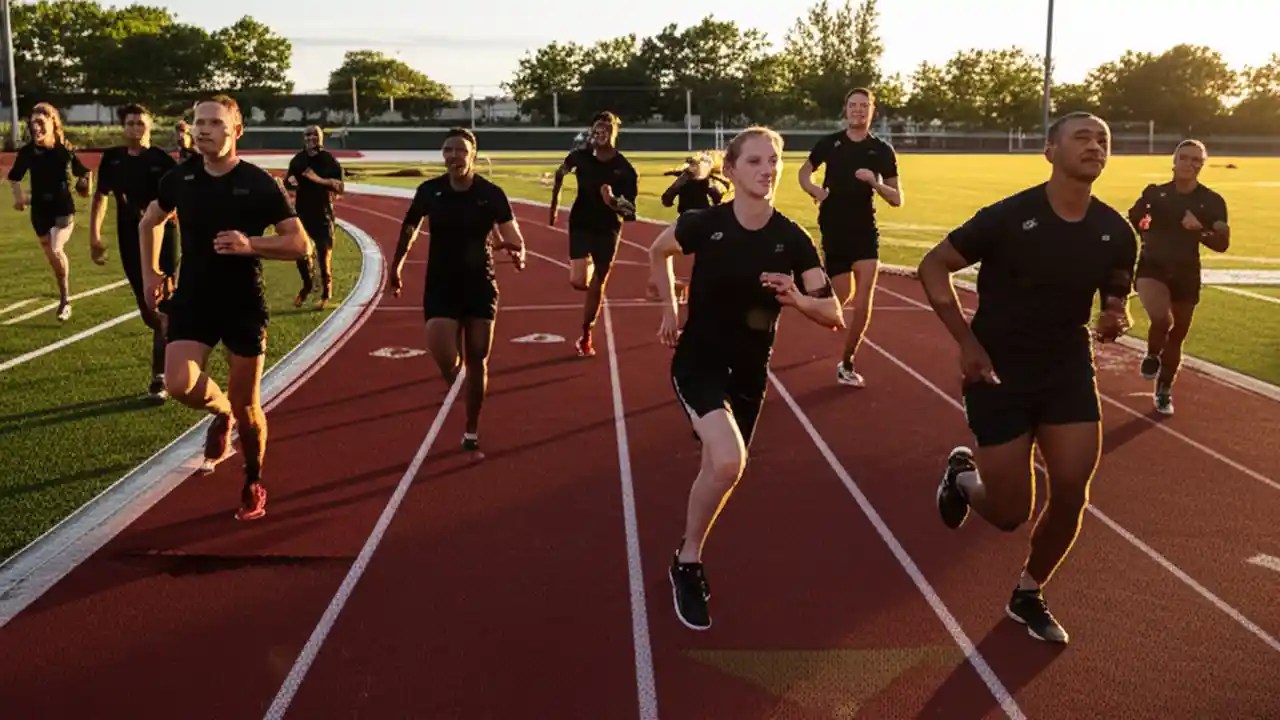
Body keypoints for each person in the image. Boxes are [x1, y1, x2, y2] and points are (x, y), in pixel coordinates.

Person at [917, 112, 1138, 645]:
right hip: (998, 372)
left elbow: (1115, 287)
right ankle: (963, 478)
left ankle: (1029, 591)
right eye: (1081, 137)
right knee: (1012, 511)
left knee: (1071, 491)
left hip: (1066, 369)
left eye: (1102, 140)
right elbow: (932, 266)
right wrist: (965, 342)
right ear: (1050, 151)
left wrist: (1115, 314)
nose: (1094, 146)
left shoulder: (1115, 230)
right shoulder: (1009, 217)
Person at [650, 127, 845, 631]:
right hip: (699, 363)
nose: (768, 169)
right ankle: (688, 560)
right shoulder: (703, 223)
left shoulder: (792, 238)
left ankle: (686, 551)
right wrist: (671, 309)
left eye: (774, 160)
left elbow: (833, 312)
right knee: (730, 461)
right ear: (731, 171)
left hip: (750, 374)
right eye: (755, 160)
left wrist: (798, 299)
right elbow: (658, 251)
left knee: (717, 467)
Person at [138, 94, 310, 522]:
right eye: (198, 122)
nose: (203, 129)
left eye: (214, 122)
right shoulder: (180, 179)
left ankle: (253, 479)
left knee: (249, 404)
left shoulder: (258, 183)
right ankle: (220, 413)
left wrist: (252, 244)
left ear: (236, 131)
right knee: (179, 383)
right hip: (194, 297)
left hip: (242, 302)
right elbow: (150, 221)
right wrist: (151, 273)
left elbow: (299, 243)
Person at [390, 128, 528, 455]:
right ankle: (462, 390)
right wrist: (397, 265)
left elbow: (515, 238)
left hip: (480, 285)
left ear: (473, 155)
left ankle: (472, 425)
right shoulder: (429, 191)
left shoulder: (491, 194)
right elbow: (410, 227)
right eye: (448, 150)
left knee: (478, 359)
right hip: (441, 284)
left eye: (461, 150)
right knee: (445, 356)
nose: (454, 156)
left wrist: (515, 249)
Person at [798, 87, 903, 388]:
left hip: (864, 231)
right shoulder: (829, 144)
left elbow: (897, 199)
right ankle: (807, 302)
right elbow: (804, 172)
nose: (858, 110)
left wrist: (876, 183)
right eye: (853, 105)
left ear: (873, 110)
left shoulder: (882, 151)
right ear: (845, 110)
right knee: (841, 299)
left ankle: (847, 362)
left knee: (864, 298)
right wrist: (814, 189)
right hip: (833, 230)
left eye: (864, 106)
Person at [1127, 139, 1229, 415]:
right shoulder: (1154, 193)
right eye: (1184, 157)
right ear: (1174, 161)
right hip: (1153, 266)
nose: (1189, 163)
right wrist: (1144, 229)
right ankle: (1151, 354)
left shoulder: (1211, 201)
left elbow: (1222, 242)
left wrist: (1199, 230)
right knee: (1162, 319)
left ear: (1202, 165)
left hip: (1186, 271)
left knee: (1178, 333)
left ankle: (1164, 389)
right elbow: (1135, 217)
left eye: (1196, 159)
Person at [90, 103, 180, 402]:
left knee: (162, 307)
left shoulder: (162, 160)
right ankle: (175, 337)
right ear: (123, 127)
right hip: (129, 239)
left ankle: (160, 378)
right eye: (130, 123)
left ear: (149, 127)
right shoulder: (112, 159)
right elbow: (101, 197)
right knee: (148, 312)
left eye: (140, 123)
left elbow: (182, 197)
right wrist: (94, 235)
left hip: (163, 238)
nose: (135, 128)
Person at [548, 111, 639, 357]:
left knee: (598, 282)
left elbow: (631, 211)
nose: (599, 134)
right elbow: (559, 174)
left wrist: (612, 201)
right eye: (596, 130)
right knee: (579, 281)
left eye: (605, 131)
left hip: (608, 226)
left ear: (614, 134)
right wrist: (554, 206)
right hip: (581, 222)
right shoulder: (579, 157)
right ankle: (587, 276)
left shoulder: (624, 169)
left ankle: (586, 334)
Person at [7, 102, 92, 322]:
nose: (35, 128)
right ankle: (65, 297)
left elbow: (84, 172)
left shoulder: (64, 149)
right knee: (53, 258)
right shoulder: (27, 152)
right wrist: (19, 198)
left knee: (56, 246)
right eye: (32, 123)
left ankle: (65, 302)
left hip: (63, 208)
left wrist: (85, 186)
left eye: (40, 123)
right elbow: (14, 177)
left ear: (52, 123)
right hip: (39, 210)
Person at [283, 125, 346, 310]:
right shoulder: (298, 159)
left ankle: (326, 293)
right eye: (308, 135)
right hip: (302, 213)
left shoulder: (329, 160)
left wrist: (317, 179)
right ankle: (307, 287)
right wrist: (289, 183)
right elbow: (289, 182)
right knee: (300, 254)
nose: (311, 138)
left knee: (323, 257)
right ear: (303, 138)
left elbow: (340, 187)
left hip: (323, 214)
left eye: (315, 135)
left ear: (321, 138)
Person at [660, 152, 727, 214]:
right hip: (702, 213)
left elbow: (670, 192)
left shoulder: (683, 179)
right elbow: (716, 196)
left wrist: (668, 201)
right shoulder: (705, 180)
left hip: (686, 213)